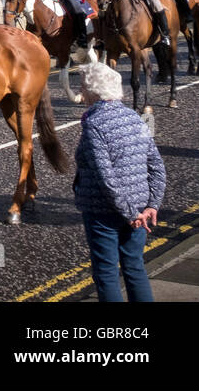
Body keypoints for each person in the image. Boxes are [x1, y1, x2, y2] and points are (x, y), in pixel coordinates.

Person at [74, 61, 165, 303]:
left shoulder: (94, 123)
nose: (81, 92)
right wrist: (151, 206)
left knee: (106, 273)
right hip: (139, 208)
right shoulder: (135, 118)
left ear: (94, 90)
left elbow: (106, 177)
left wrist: (129, 213)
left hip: (104, 211)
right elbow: (156, 165)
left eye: (83, 85)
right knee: (135, 268)